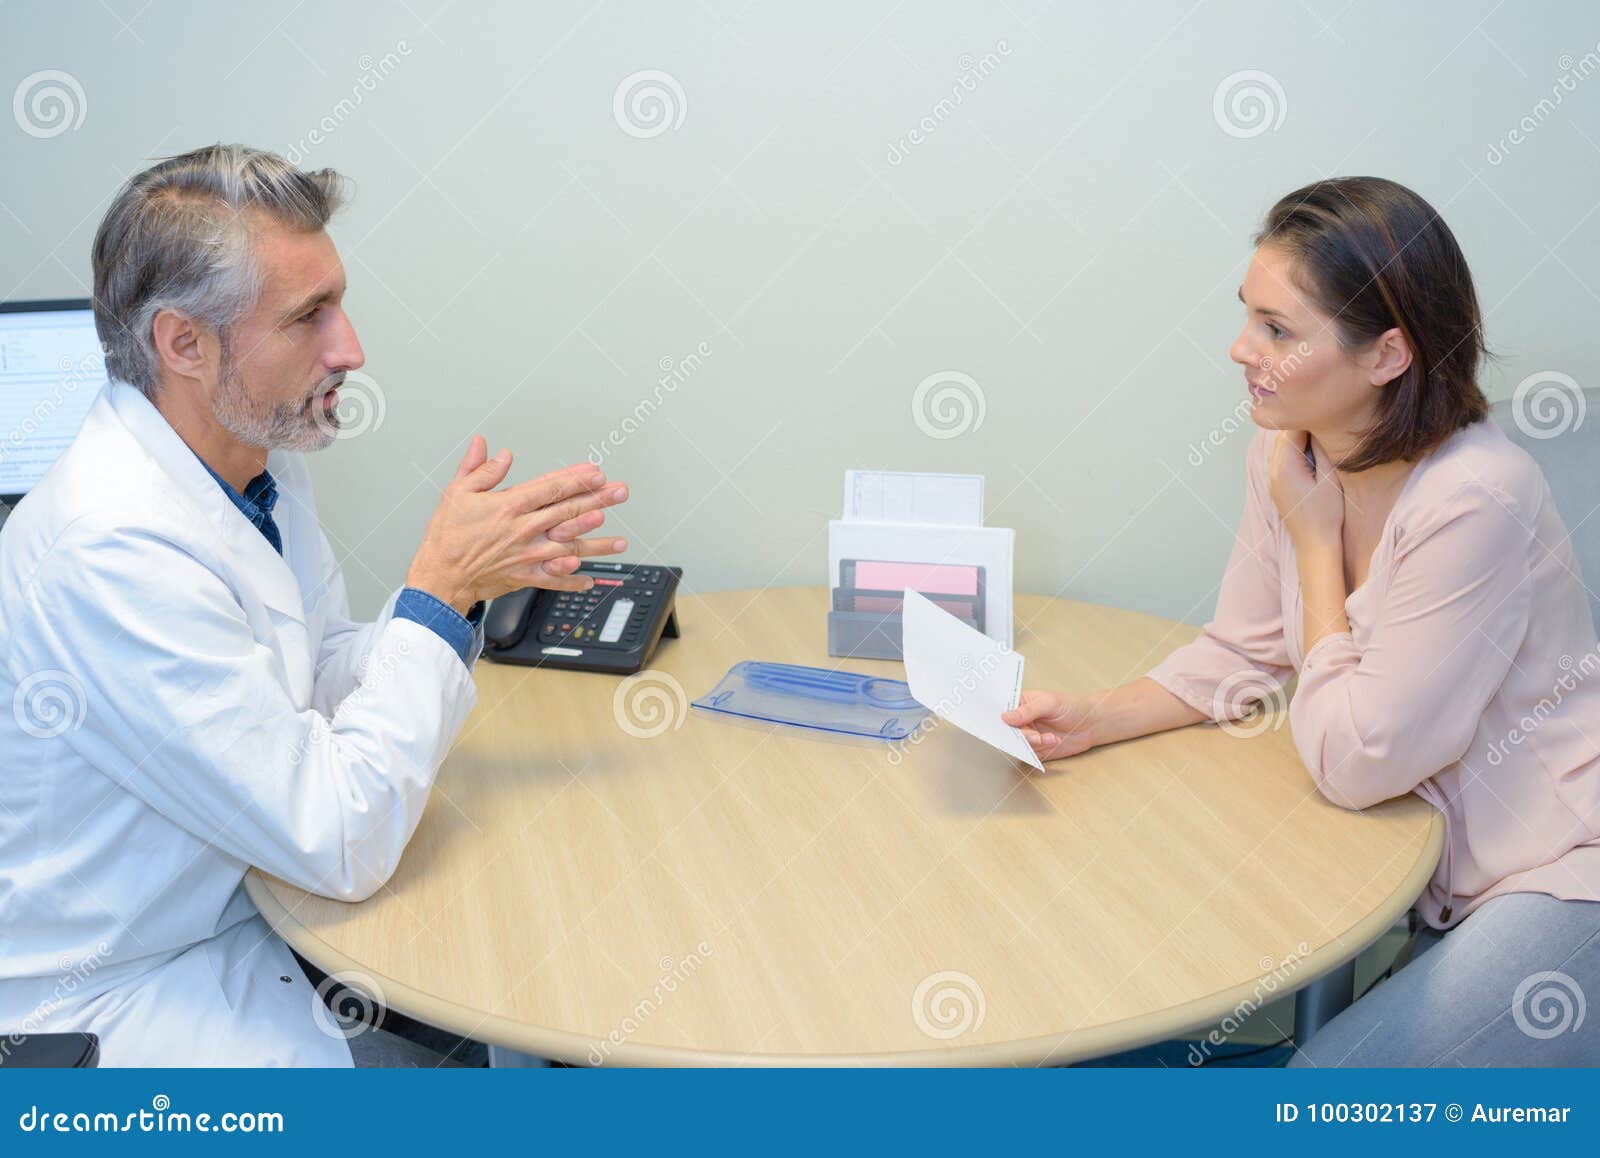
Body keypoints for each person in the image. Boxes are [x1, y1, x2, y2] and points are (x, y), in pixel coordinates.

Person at [0, 144, 630, 1066]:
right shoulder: (109, 550)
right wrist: (438, 594)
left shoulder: (254, 460)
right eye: (309, 317)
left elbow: (315, 672)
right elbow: (338, 837)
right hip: (119, 1001)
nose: (352, 348)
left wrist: (463, 598)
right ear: (184, 343)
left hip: (240, 919)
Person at [1005, 177, 1600, 1066]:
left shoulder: (1475, 497)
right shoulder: (1288, 449)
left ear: (1388, 355)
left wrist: (1316, 546)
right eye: (1250, 316)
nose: (1242, 349)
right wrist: (1097, 717)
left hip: (1561, 871)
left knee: (1320, 1094)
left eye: (1279, 331)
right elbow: (1244, 650)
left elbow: (1358, 762)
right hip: (1432, 870)